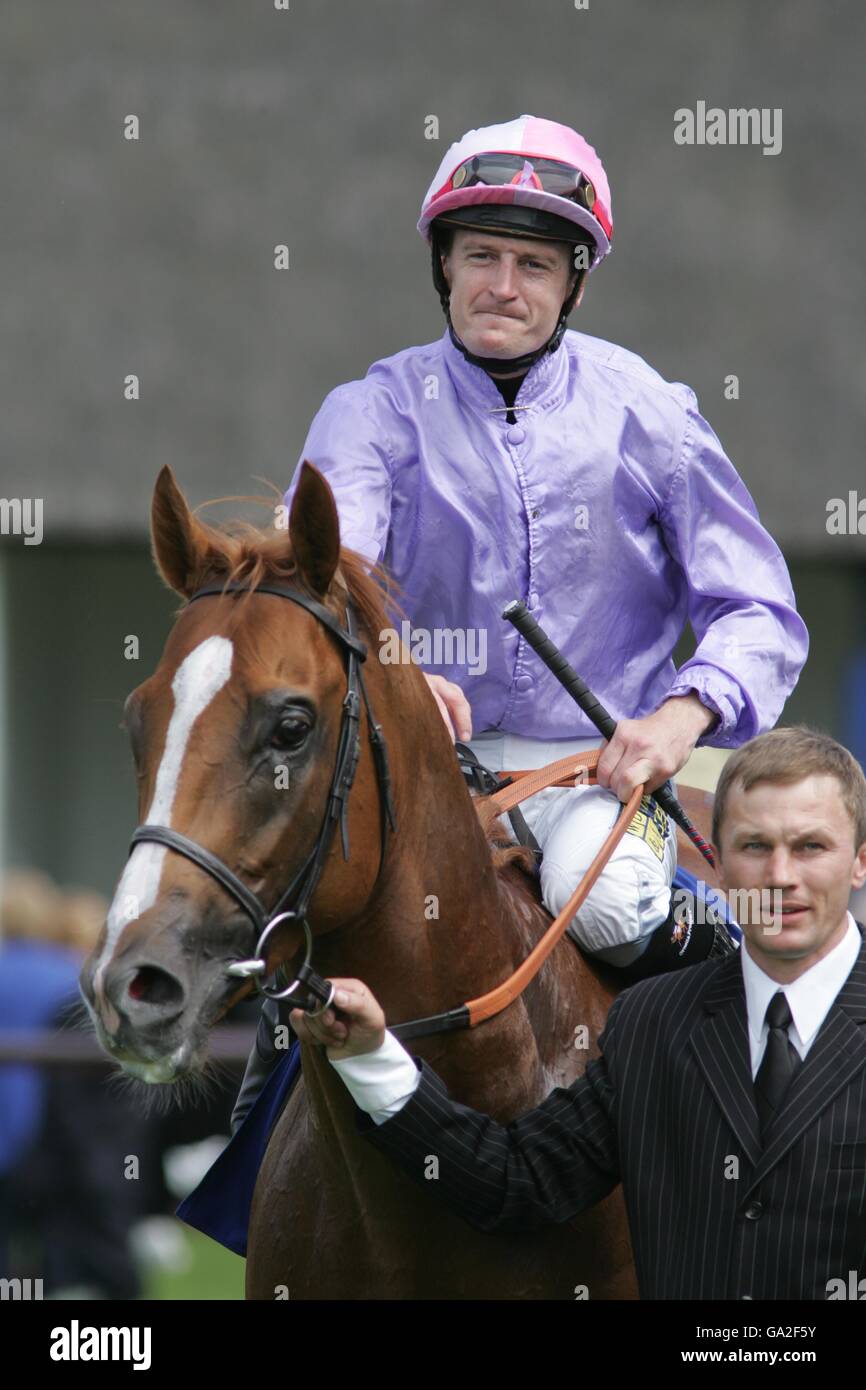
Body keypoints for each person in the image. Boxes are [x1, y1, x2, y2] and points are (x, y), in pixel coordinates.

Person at [230, 114, 808, 1134]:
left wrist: (678, 719)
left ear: (573, 282)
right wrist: (399, 665)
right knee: (307, 909)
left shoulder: (652, 413)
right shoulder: (368, 413)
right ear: (442, 266)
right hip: (422, 765)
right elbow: (317, 583)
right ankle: (254, 1153)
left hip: (604, 768)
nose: (504, 285)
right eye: (481, 257)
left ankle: (758, 1106)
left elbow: (757, 610)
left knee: (614, 910)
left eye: (533, 264)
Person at [292, 726, 866, 1301]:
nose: (781, 876)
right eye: (755, 846)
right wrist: (369, 1055)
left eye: (811, 847)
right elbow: (516, 1182)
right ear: (717, 859)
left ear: (860, 862)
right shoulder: (653, 1021)